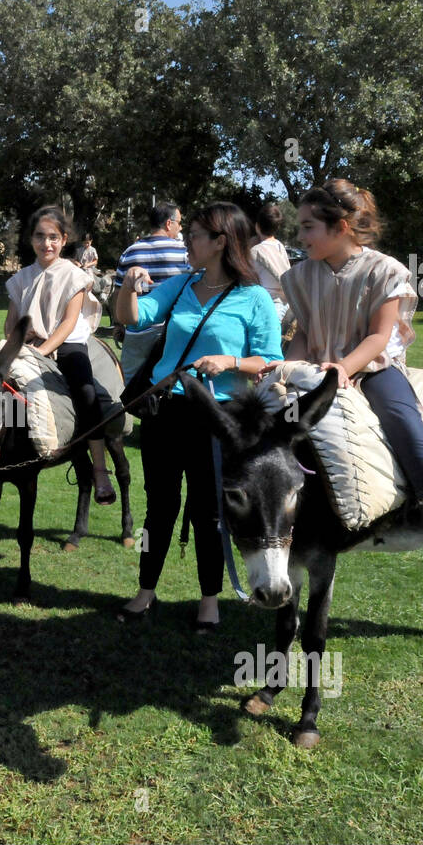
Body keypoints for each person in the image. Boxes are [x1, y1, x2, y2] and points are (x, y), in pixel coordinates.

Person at [276, 178, 423, 588]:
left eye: (308, 227)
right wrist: (285, 370)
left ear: (340, 227)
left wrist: (343, 368)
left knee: (403, 420)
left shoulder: (385, 271)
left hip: (373, 370)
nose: (300, 236)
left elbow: (380, 337)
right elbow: (305, 331)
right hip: (316, 369)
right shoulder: (300, 276)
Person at [112, 203, 284, 631]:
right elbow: (132, 317)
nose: (186, 241)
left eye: (193, 235)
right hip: (165, 412)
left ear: (221, 242)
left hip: (218, 417)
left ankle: (210, 600)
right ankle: (146, 590)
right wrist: (129, 286)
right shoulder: (182, 285)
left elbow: (271, 360)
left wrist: (230, 361)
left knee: (209, 513)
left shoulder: (255, 297)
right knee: (160, 508)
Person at [7, 206, 116, 503]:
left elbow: (68, 324)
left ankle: (100, 470)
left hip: (66, 344)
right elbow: (10, 323)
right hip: (29, 345)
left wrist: (41, 352)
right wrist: (17, 341)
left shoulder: (75, 276)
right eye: (40, 237)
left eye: (53, 237)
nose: (47, 244)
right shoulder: (21, 278)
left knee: (86, 391)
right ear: (31, 240)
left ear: (64, 239)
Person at [113, 203, 190, 344]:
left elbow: (119, 292)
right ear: (168, 223)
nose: (181, 227)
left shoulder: (130, 252)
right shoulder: (184, 252)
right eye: (179, 223)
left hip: (137, 332)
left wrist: (118, 324)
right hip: (173, 333)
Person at [251, 202, 291, 324]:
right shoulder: (280, 246)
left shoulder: (255, 251)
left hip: (267, 307)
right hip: (285, 304)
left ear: (257, 226)